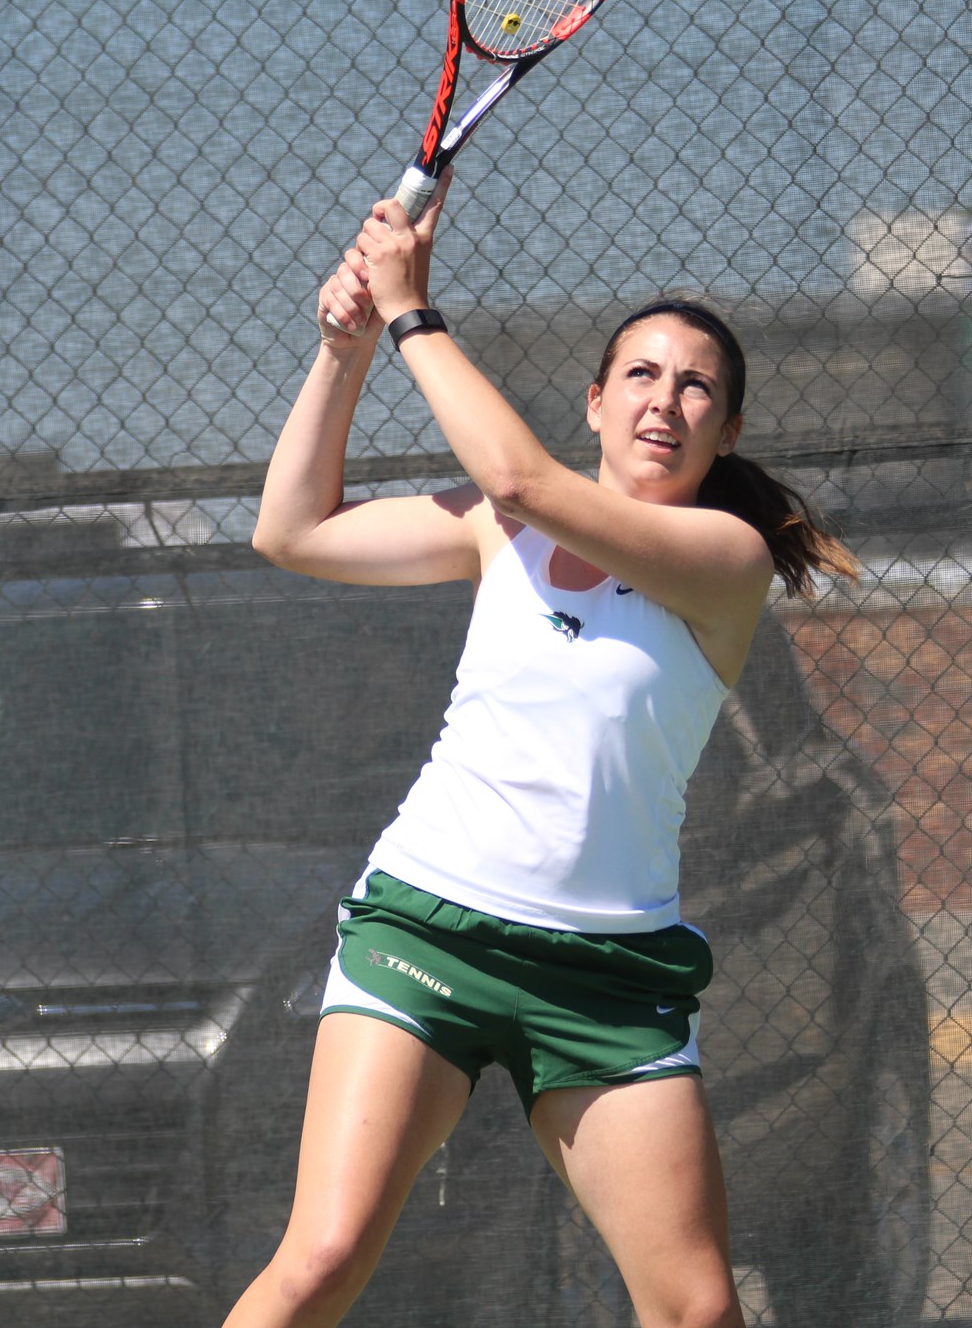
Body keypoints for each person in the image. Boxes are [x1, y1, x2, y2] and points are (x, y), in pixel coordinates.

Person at [230, 171, 858, 1328]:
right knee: (319, 1262)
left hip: (606, 978)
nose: (663, 400)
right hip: (425, 926)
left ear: (725, 429)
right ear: (594, 400)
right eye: (639, 375)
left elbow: (519, 471)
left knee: (696, 1311)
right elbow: (292, 529)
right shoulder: (495, 531)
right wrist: (349, 345)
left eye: (695, 386)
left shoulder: (722, 560)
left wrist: (412, 306)